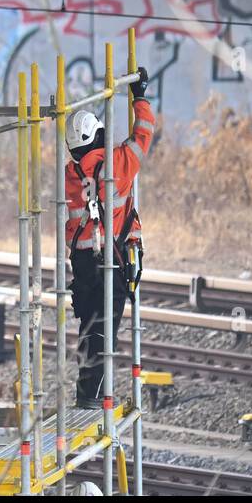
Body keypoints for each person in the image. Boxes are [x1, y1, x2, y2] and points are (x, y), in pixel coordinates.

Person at [64, 66, 154, 409]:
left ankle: (89, 389)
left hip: (83, 264)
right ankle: (92, 396)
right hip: (111, 262)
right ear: (98, 136)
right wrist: (140, 97)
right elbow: (143, 134)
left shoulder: (69, 175)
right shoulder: (117, 164)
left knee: (90, 327)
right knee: (105, 330)